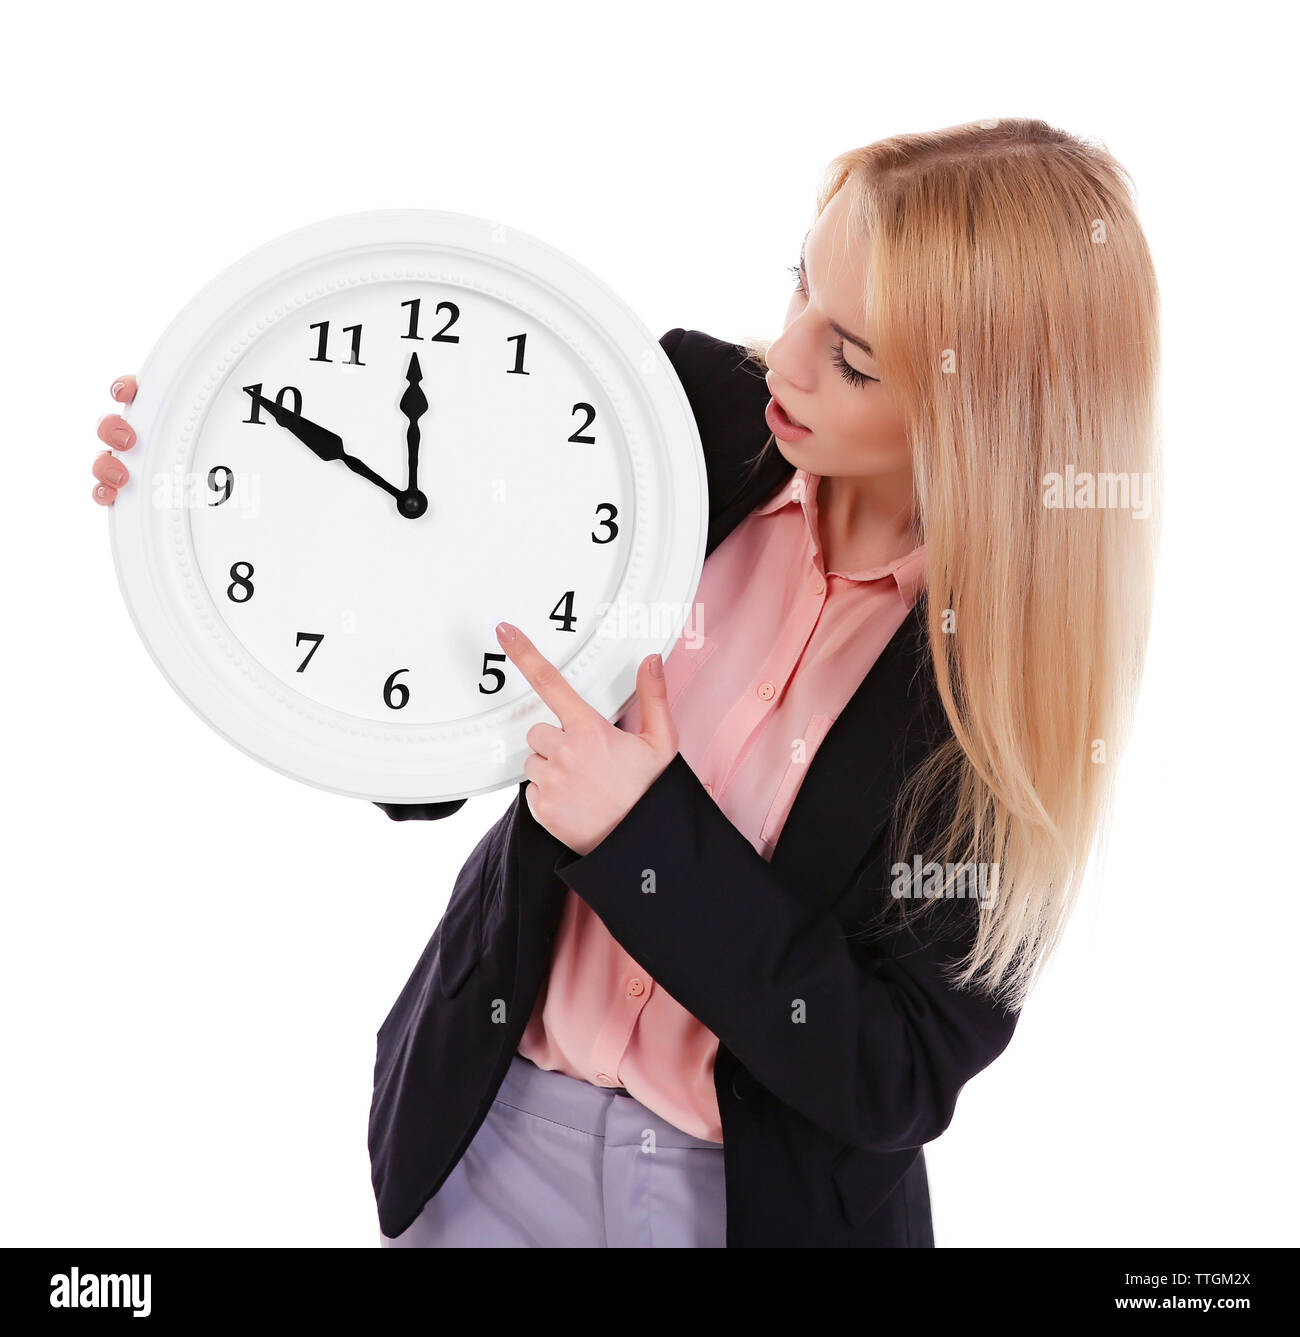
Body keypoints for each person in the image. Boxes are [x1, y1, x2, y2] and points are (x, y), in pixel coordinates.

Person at [92, 117, 1161, 1247]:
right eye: (800, 285)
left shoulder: (997, 682)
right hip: (486, 1139)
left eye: (851, 356)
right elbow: (440, 633)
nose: (785, 358)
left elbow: (887, 1070)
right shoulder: (683, 425)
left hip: (749, 1209)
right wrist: (210, 476)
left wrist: (645, 833)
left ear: (987, 420)